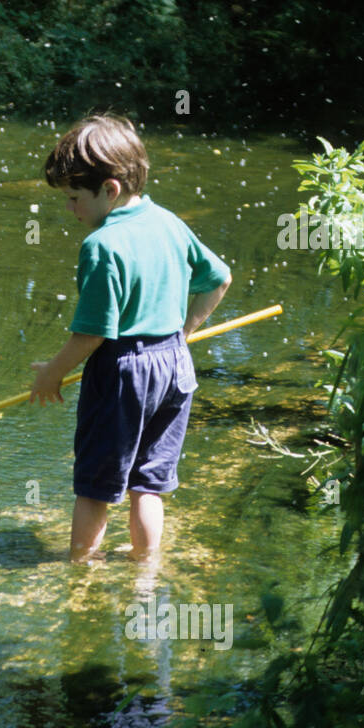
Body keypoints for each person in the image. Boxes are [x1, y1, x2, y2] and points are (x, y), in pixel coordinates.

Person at [31, 112, 231, 563]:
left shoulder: (102, 245)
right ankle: (146, 572)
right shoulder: (169, 222)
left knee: (95, 486)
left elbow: (92, 334)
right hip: (175, 367)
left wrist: (51, 374)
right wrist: (182, 334)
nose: (70, 209)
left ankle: (81, 573)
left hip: (123, 374)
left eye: (74, 197)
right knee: (149, 483)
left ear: (110, 189)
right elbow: (218, 279)